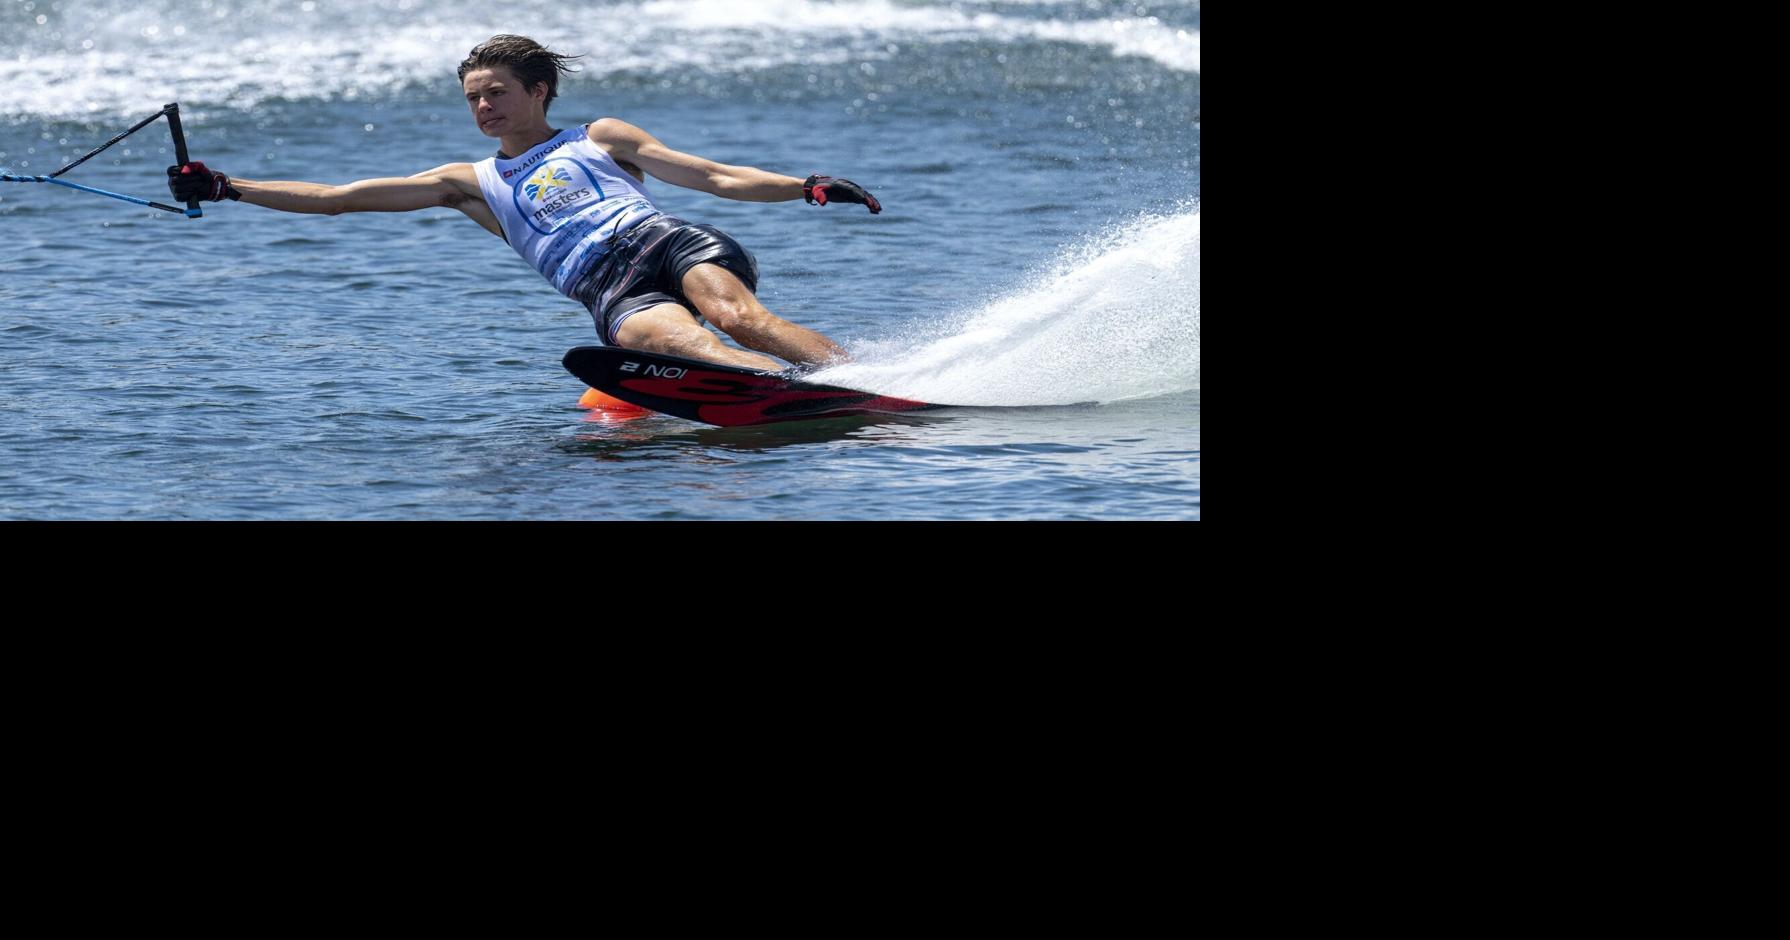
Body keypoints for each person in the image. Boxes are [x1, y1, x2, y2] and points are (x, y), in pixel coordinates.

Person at [167, 34, 882, 372]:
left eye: (497, 92)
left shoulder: (601, 137)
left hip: (666, 242)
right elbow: (334, 200)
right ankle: (794, 394)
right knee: (685, 345)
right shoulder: (470, 180)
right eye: (473, 96)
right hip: (608, 288)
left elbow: (715, 177)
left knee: (734, 317)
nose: (483, 106)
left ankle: (863, 383)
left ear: (538, 92)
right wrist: (230, 187)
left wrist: (806, 185)